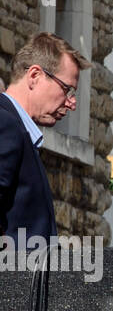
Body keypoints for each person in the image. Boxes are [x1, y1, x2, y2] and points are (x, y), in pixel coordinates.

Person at [1, 32, 90, 243]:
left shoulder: (17, 130)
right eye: (67, 89)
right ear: (34, 76)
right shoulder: (5, 124)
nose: (72, 103)